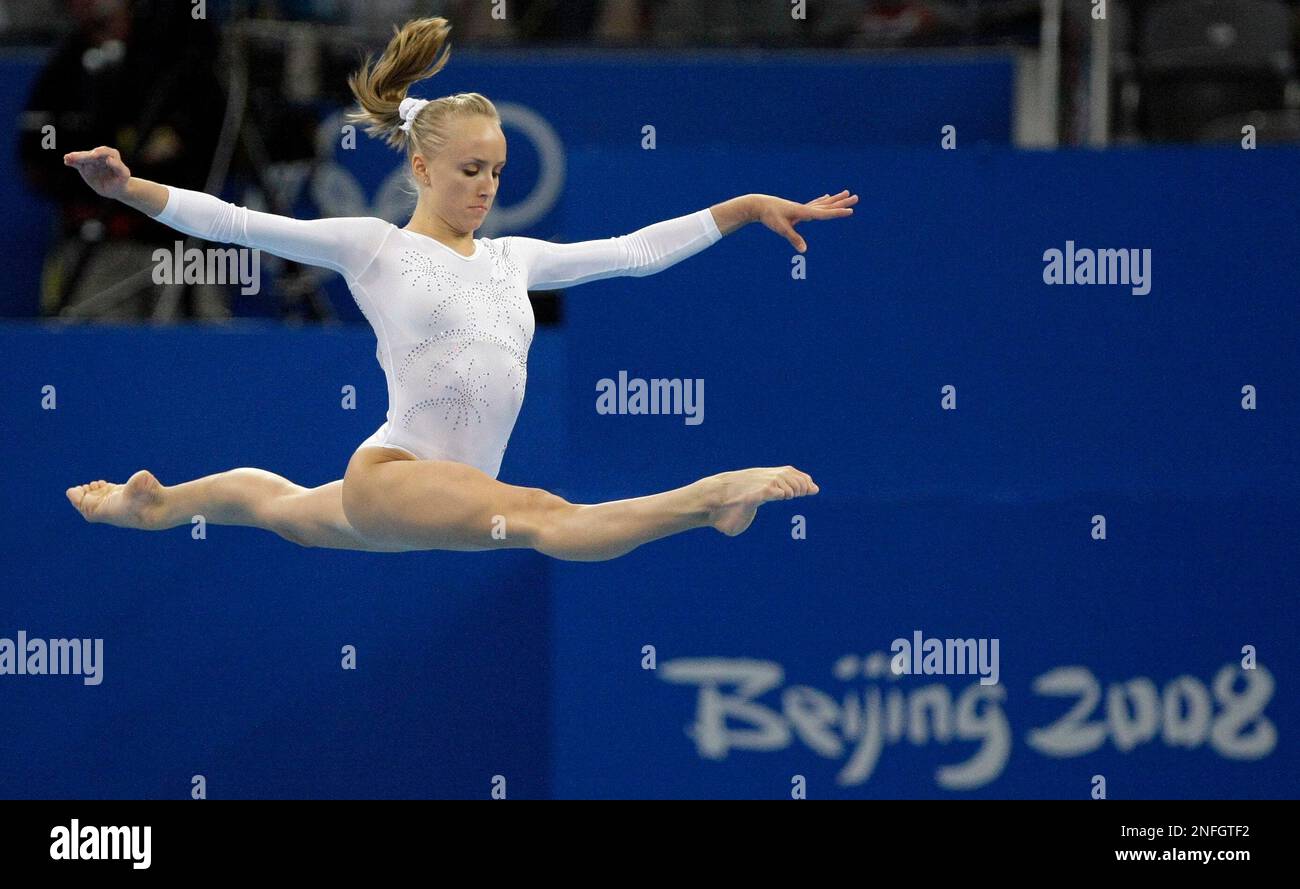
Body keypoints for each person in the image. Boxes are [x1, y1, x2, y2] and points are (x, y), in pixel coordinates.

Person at [64, 16, 856, 561]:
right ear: (421, 168)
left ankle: (155, 506)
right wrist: (131, 188)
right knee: (548, 517)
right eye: (470, 170)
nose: (486, 187)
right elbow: (236, 223)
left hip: (431, 501)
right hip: (396, 477)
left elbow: (634, 252)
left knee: (281, 510)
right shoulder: (372, 247)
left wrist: (746, 208)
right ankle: (711, 496)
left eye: (497, 173)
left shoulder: (516, 260)